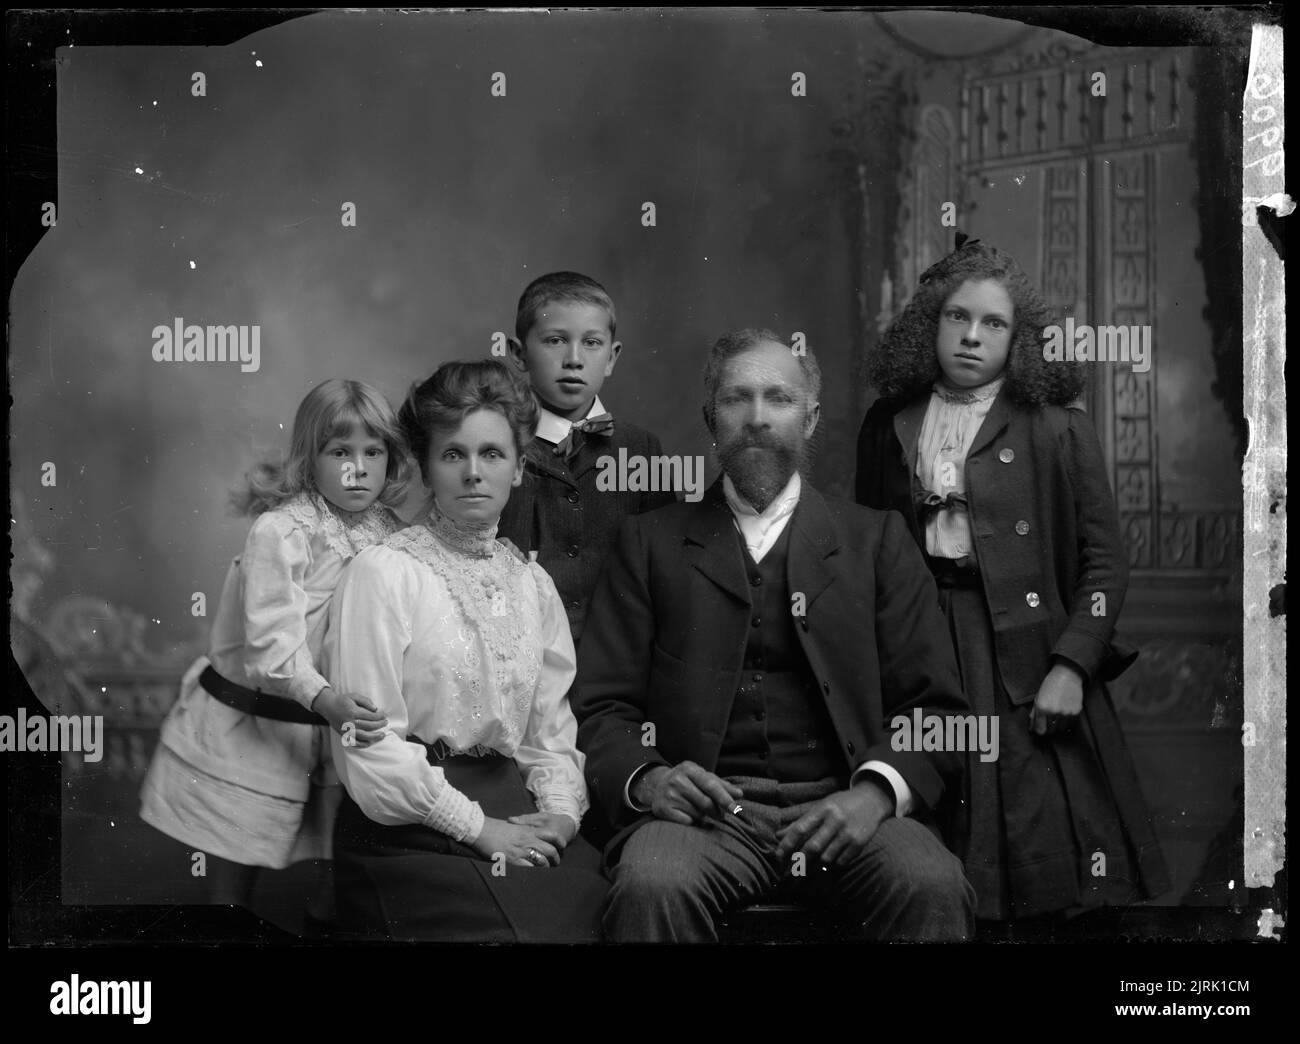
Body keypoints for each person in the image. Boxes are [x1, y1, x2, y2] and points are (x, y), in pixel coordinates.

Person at [573, 329, 975, 943]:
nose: (757, 418)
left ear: (810, 419)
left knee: (931, 882)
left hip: (844, 805)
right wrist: (652, 778)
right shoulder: (649, 544)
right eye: (737, 399)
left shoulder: (877, 542)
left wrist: (873, 794)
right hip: (705, 819)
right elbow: (602, 706)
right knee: (651, 883)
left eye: (778, 399)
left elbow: (936, 712)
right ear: (710, 417)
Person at [855, 235, 1171, 922]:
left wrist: (1071, 666)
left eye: (993, 324)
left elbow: (1105, 563)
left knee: (1038, 858)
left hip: (1023, 654)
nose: (972, 337)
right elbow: (861, 554)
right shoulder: (889, 424)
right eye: (957, 318)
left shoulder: (1057, 429)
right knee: (923, 847)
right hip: (918, 643)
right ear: (928, 324)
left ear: (1019, 338)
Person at [323, 360, 608, 942]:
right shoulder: (384, 573)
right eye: (453, 455)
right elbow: (366, 749)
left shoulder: (533, 586)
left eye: (492, 454)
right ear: (427, 468)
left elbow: (547, 733)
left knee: (616, 905)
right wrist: (478, 829)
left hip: (511, 805)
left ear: (521, 467)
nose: (474, 473)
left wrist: (559, 810)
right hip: (407, 828)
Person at [140, 379, 408, 905]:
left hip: (332, 724)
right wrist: (326, 699)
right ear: (309, 460)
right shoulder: (282, 532)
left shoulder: (387, 530)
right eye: (340, 452)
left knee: (340, 865)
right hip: (259, 719)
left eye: (372, 452)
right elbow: (269, 648)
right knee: (236, 856)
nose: (358, 468)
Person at [498, 271, 675, 647]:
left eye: (592, 343)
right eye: (555, 340)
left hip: (615, 660)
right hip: (522, 651)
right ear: (518, 354)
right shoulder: (498, 445)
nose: (574, 359)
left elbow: (664, 570)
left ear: (611, 358)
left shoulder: (643, 449)